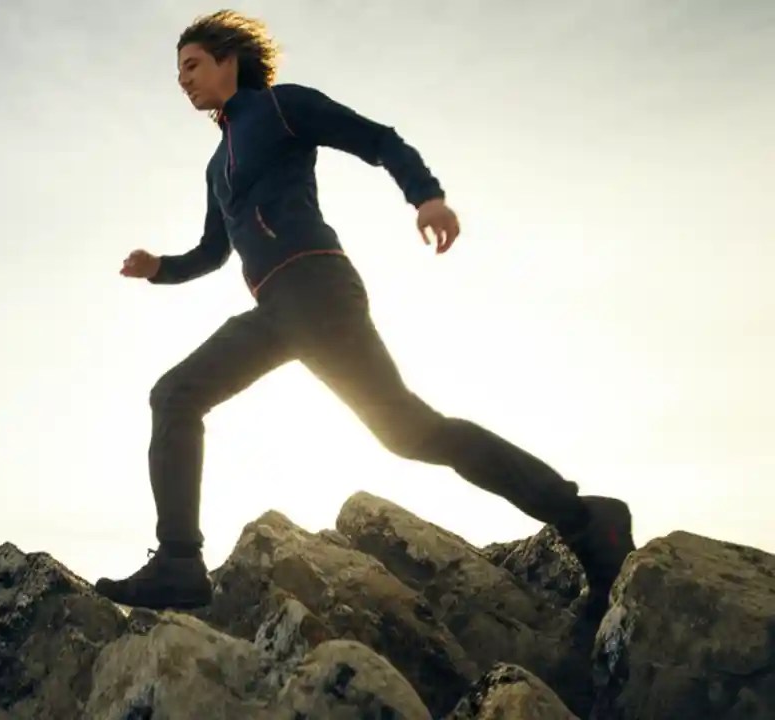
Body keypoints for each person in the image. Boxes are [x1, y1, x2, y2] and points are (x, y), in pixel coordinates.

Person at [94, 9, 635, 619]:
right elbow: (212, 252)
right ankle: (179, 565)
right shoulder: (217, 166)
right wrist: (158, 267)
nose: (182, 80)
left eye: (191, 65)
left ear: (229, 62)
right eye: (178, 71)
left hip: (318, 292)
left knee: (410, 431)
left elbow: (377, 138)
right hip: (275, 308)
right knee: (176, 396)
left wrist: (426, 195)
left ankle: (586, 518)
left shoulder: (279, 107)